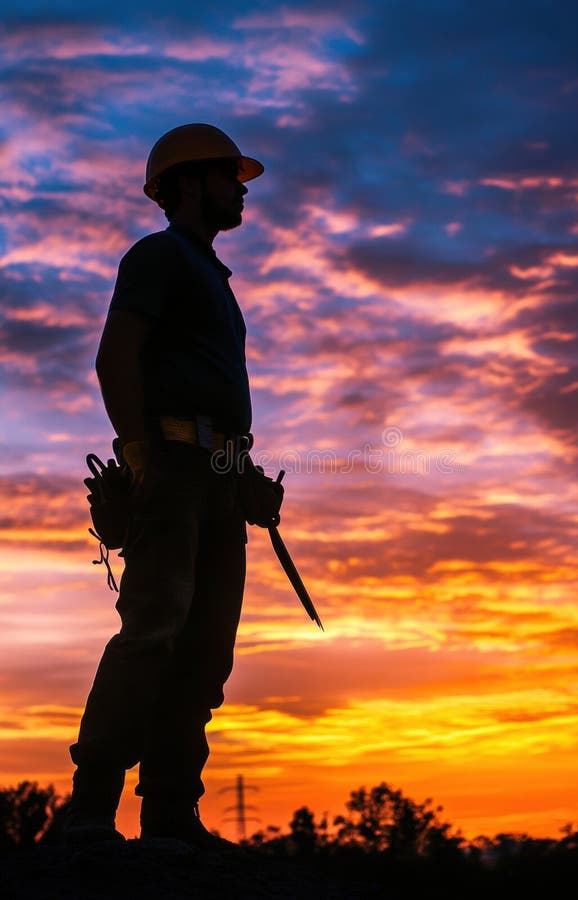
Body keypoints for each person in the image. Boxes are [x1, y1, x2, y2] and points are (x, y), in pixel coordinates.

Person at [63, 123, 282, 849]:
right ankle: (92, 808)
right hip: (174, 471)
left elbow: (209, 398)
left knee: (205, 652)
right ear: (188, 184)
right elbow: (114, 356)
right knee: (153, 632)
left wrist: (243, 474)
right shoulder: (157, 258)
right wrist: (139, 455)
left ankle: (170, 814)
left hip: (216, 477)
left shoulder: (212, 278)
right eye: (228, 175)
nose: (241, 187)